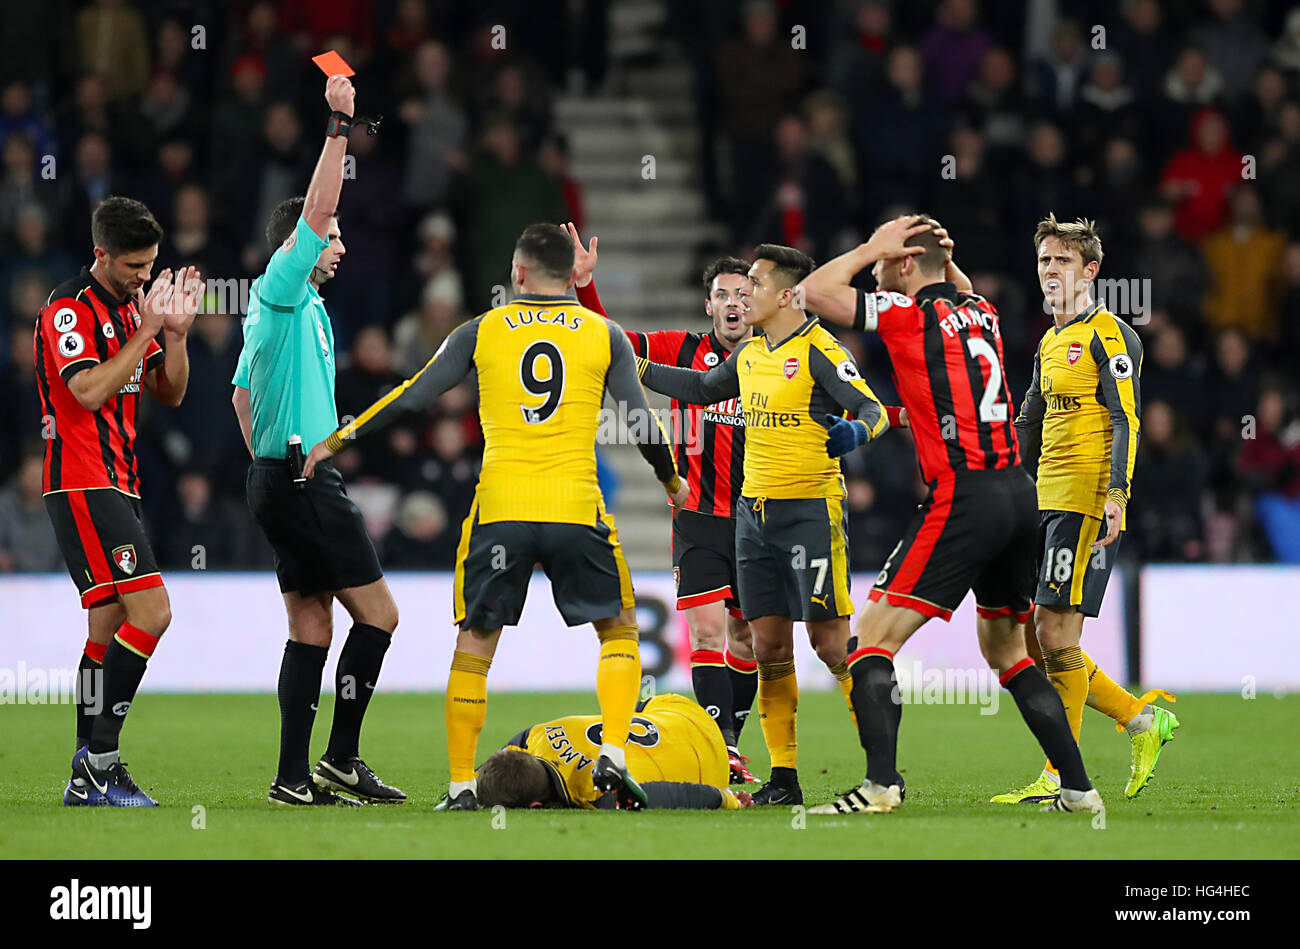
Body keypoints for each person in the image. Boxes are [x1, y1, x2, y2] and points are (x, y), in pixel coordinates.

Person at [302, 222, 688, 811]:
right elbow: (640, 421)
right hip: (575, 509)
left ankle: (461, 786)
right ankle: (612, 748)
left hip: (501, 513)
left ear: (521, 271)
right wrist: (671, 479)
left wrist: (340, 437)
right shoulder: (605, 335)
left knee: (475, 646)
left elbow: (412, 394)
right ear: (569, 274)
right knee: (618, 631)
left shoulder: (483, 330)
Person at [798, 215, 1103, 816]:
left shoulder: (908, 316)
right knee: (1008, 652)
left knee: (868, 645)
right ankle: (1078, 788)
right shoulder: (982, 312)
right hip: (1019, 491)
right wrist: (936, 255)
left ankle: (881, 786)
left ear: (904, 265)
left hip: (965, 495)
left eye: (891, 263)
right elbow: (954, 287)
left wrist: (867, 248)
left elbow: (812, 293)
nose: (881, 273)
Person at [634, 243, 888, 806]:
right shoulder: (749, 357)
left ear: (788, 294)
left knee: (831, 645)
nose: (744, 293)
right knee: (769, 647)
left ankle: (882, 769)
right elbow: (700, 390)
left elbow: (872, 409)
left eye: (756, 282)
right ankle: (785, 779)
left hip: (809, 514)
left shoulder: (821, 350)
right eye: (737, 285)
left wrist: (855, 434)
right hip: (754, 519)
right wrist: (640, 368)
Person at [230, 74, 404, 807]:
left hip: (279, 475)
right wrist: (340, 125)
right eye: (328, 238)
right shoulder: (282, 286)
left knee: (311, 620)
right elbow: (320, 204)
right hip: (302, 479)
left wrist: (271, 462)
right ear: (297, 248)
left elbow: (240, 396)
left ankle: (293, 776)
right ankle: (338, 758)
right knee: (381, 617)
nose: (338, 244)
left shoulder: (292, 314)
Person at [565, 221, 759, 785]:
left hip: (756, 519)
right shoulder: (685, 349)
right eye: (722, 294)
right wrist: (584, 288)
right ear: (708, 306)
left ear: (758, 305)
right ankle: (720, 747)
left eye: (743, 295)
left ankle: (734, 740)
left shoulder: (775, 359)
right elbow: (614, 344)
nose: (732, 303)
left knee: (747, 638)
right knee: (705, 636)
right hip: (697, 517)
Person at [996, 214, 1178, 804]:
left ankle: (1061, 778)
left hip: (1087, 500)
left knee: (1054, 633)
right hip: (1044, 500)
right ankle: (1143, 721)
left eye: (1063, 261)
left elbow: (1126, 418)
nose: (1050, 270)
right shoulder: (1049, 340)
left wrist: (1117, 498)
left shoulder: (1111, 335)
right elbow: (1028, 418)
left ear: (1090, 270)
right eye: (1045, 260)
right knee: (1041, 638)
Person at [35, 195, 202, 806]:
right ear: (99, 254)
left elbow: (170, 391)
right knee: (153, 613)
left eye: (151, 265)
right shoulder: (67, 310)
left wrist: (175, 336)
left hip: (120, 482)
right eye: (134, 266)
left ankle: (89, 774)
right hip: (82, 480)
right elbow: (85, 391)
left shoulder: (137, 311)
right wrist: (150, 329)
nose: (145, 277)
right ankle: (99, 761)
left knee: (106, 627)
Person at [476, 693, 753, 810]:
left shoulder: (596, 794)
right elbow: (507, 755)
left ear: (535, 806)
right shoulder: (537, 735)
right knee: (622, 712)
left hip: (711, 763)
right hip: (678, 710)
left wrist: (727, 800)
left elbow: (675, 794)